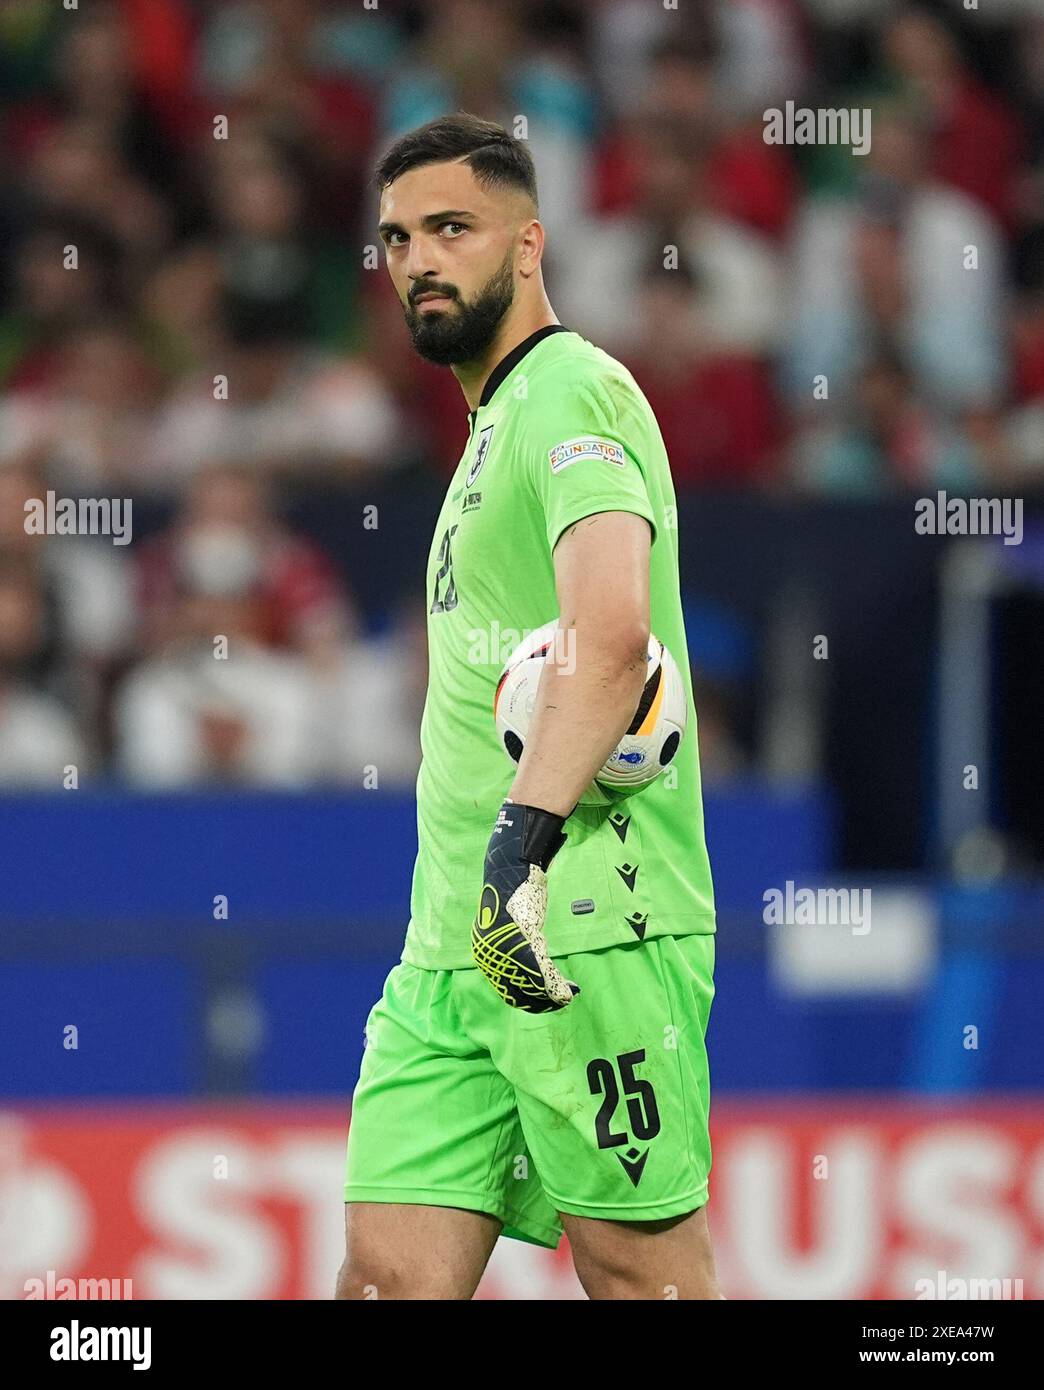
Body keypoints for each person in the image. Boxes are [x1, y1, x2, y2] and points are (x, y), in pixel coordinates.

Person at [338, 114, 721, 1301]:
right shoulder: (489, 426)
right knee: (386, 1279)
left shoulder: (573, 393)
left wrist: (520, 856)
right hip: (452, 947)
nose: (420, 259)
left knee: (639, 1279)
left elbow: (610, 642)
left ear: (530, 242)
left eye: (453, 228)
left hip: (581, 920)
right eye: (398, 237)